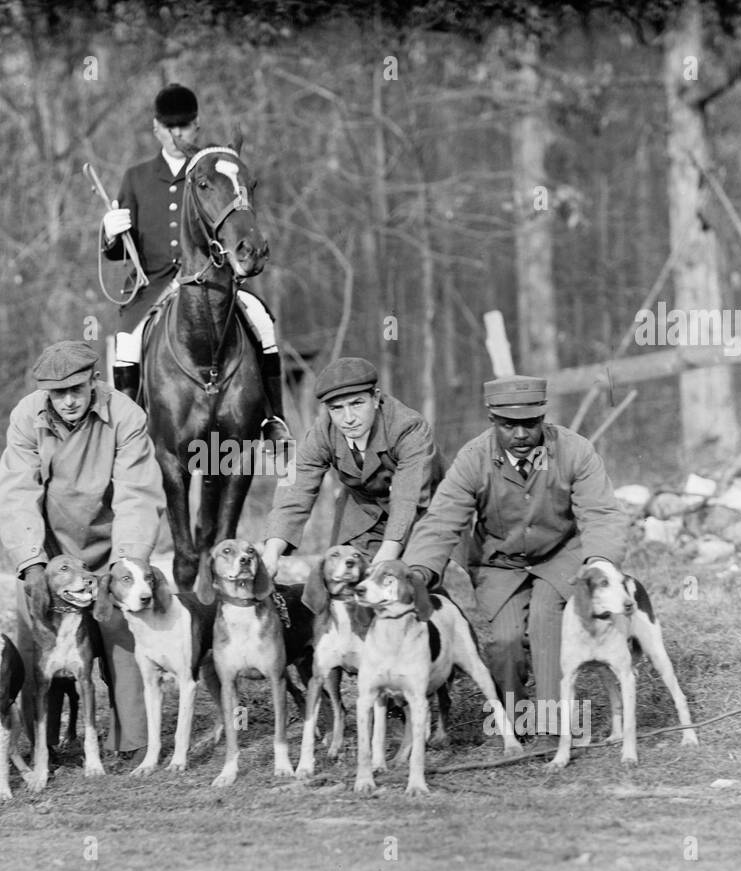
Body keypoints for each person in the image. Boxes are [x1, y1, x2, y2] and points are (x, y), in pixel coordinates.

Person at [402, 376, 629, 752]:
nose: (520, 434)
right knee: (505, 643)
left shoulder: (575, 450)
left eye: (530, 424)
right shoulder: (473, 458)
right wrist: (420, 571)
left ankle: (556, 730)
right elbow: (442, 520)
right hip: (499, 563)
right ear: (492, 421)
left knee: (546, 622)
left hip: (560, 556)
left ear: (544, 418)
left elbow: (602, 512)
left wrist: (600, 563)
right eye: (508, 426)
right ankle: (517, 726)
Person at [0, 340, 165, 766]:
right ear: (45, 393)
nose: (68, 401)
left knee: (121, 637)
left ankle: (133, 740)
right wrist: (31, 562)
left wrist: (127, 563)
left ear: (94, 380)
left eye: (76, 389)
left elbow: (137, 494)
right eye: (57, 393)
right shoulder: (25, 417)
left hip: (112, 544)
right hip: (51, 552)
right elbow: (16, 492)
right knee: (36, 639)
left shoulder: (125, 414)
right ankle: (43, 743)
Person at [101, 82, 291, 445]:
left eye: (184, 126)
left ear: (197, 126)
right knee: (126, 342)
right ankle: (126, 438)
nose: (177, 134)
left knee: (263, 324)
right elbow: (117, 252)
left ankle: (273, 422)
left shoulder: (213, 170)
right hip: (152, 287)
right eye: (169, 127)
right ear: (156, 128)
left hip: (212, 283)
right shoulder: (136, 178)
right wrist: (111, 235)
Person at [261, 357, 443, 576]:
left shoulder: (408, 427)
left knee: (411, 583)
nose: (348, 418)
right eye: (337, 408)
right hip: (364, 513)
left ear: (375, 399)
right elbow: (295, 490)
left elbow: (407, 499)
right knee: (345, 580)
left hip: (424, 513)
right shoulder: (323, 432)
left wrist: (383, 561)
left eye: (356, 404)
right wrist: (271, 554)